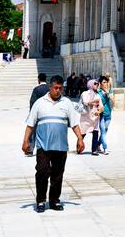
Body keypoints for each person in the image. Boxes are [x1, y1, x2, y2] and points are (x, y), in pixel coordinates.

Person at [22, 75, 85, 211]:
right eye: (55, 88)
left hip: (61, 146)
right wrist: (25, 141)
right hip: (43, 147)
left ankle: (54, 200)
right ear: (50, 87)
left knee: (57, 175)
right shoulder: (39, 103)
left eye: (60, 88)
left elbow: (74, 123)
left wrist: (80, 139)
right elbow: (30, 124)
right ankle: (40, 201)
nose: (58, 91)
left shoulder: (67, 103)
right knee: (42, 172)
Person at [25, 74, 50, 157]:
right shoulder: (50, 89)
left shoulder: (36, 89)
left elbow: (32, 102)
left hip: (38, 114)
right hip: (48, 114)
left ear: (39, 79)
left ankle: (30, 150)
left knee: (32, 132)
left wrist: (32, 114)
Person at [79, 79, 103, 155]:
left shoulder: (98, 95)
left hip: (95, 117)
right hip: (86, 117)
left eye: (97, 84)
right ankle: (79, 148)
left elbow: (101, 106)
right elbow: (85, 102)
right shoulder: (85, 93)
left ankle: (94, 150)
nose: (97, 85)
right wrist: (94, 102)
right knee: (82, 134)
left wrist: (99, 111)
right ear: (90, 84)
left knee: (96, 133)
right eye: (95, 84)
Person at [96, 76, 114, 154]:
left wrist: (108, 93)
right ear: (100, 84)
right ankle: (105, 148)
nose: (105, 84)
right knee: (103, 131)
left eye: (106, 82)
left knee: (105, 131)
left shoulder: (110, 91)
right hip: (101, 115)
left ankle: (97, 145)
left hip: (108, 114)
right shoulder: (98, 92)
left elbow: (113, 101)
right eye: (103, 82)